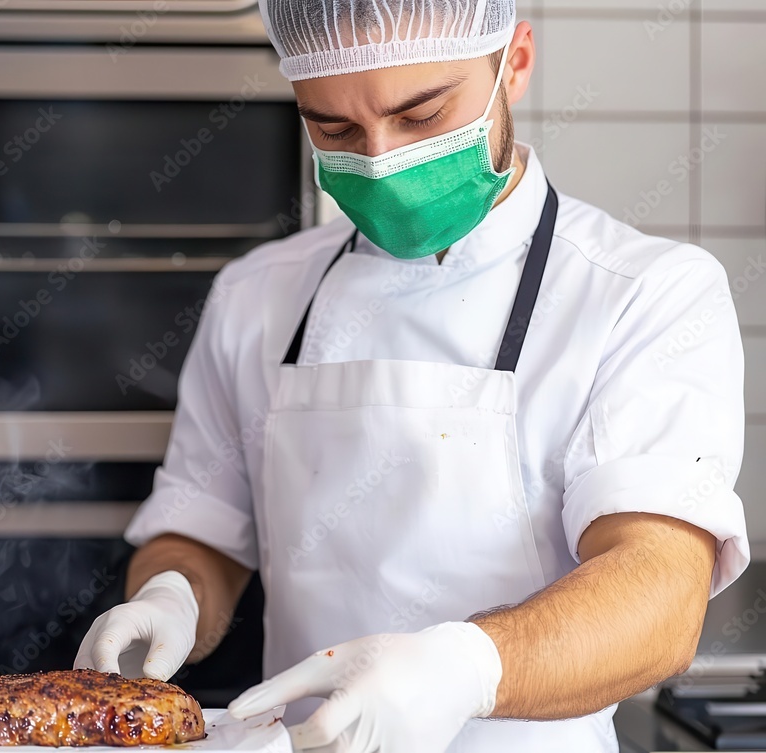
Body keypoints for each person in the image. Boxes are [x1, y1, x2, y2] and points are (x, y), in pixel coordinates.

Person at [74, 1, 750, 750]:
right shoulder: (256, 294)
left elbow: (660, 591)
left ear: (514, 64)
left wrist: (460, 667)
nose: (382, 160)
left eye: (422, 115)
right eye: (335, 130)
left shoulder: (642, 292)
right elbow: (199, 532)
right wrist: (173, 595)